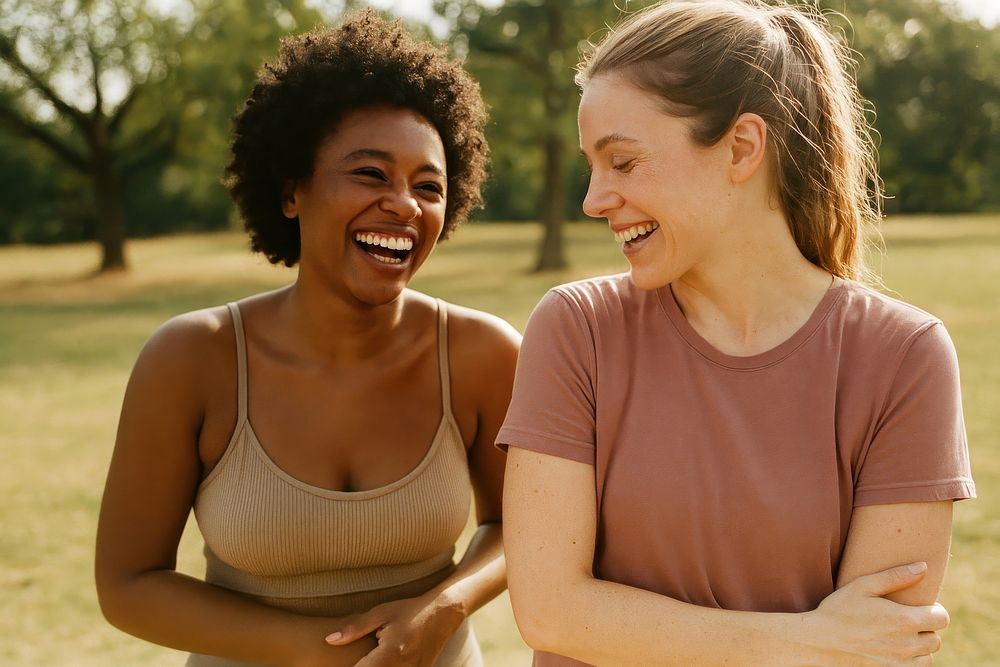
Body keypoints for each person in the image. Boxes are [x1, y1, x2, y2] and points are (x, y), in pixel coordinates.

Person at [497, 0, 975, 664]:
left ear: (742, 148)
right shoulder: (577, 331)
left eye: (623, 162)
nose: (593, 199)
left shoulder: (904, 356)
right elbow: (551, 610)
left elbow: (871, 650)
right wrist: (800, 638)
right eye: (591, 166)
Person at [95, 11, 519, 667]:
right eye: (371, 174)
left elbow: (522, 521)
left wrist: (446, 604)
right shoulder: (192, 359)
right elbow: (128, 584)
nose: (405, 204)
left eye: (428, 186)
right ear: (292, 190)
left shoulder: (482, 354)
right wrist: (326, 651)